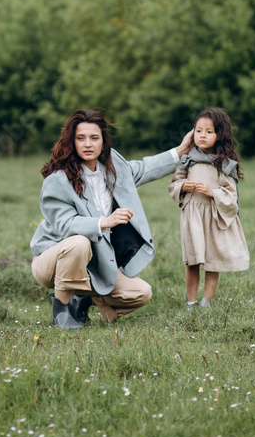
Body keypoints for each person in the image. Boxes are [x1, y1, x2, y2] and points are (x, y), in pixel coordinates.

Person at [30, 109, 190, 328]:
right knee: (79, 242)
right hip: (52, 260)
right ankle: (61, 312)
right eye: (81, 138)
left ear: (103, 141)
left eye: (94, 138)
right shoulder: (58, 179)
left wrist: (180, 151)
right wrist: (104, 222)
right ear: (72, 142)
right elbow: (65, 225)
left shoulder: (113, 168)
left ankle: (81, 299)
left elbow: (143, 169)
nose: (88, 144)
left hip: (93, 263)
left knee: (141, 293)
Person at [168, 107, 249, 310]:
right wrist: (182, 186)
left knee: (212, 259)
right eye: (198, 130)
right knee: (192, 259)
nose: (202, 135)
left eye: (209, 131)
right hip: (192, 215)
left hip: (213, 216)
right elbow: (174, 184)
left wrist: (212, 191)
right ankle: (191, 301)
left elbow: (231, 195)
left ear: (219, 135)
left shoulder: (223, 163)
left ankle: (207, 300)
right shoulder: (188, 159)